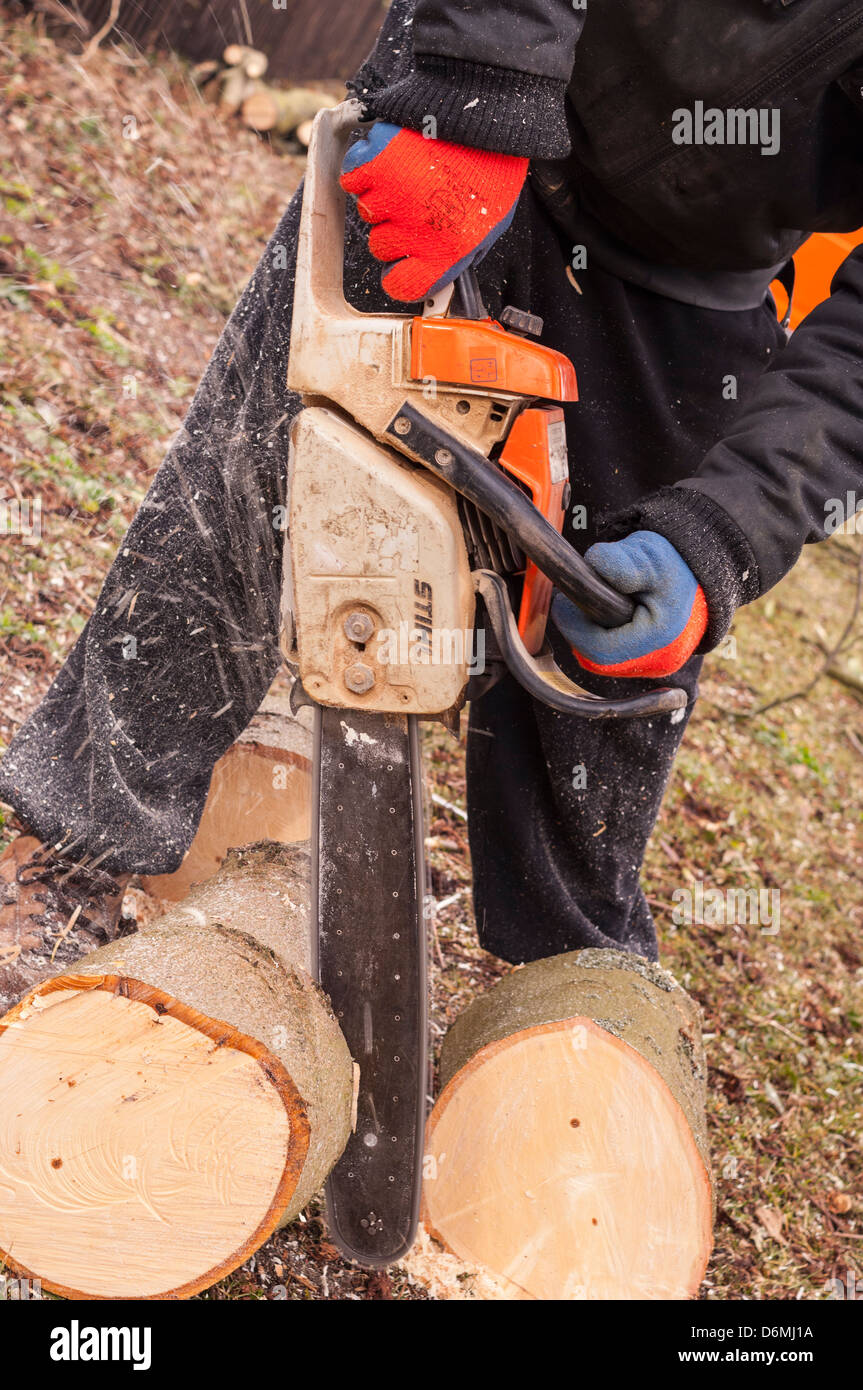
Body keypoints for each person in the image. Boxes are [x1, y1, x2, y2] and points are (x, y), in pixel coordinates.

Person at [2, 0, 862, 1011]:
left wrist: (721, 534)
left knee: (599, 676)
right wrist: (471, 91)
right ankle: (73, 849)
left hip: (693, 286)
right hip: (465, 128)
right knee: (266, 467)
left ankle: (564, 1007)